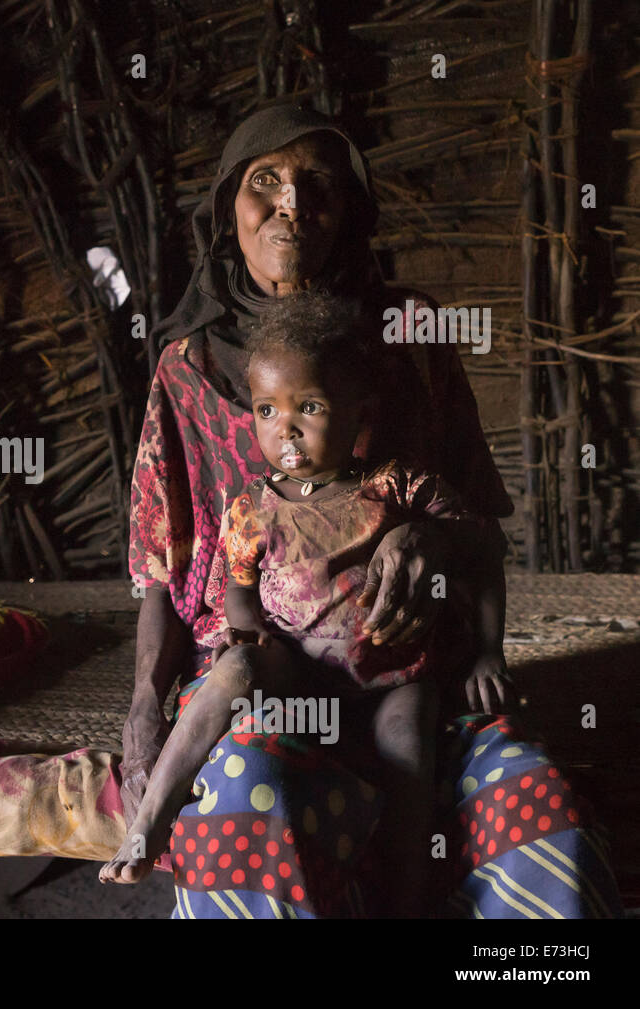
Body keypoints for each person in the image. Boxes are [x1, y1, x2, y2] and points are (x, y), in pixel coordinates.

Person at [121, 102, 623, 917]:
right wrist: (147, 703)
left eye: (318, 184)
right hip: (265, 681)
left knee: (542, 819)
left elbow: (477, 528)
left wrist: (431, 544)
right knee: (246, 813)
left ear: (351, 209)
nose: (292, 204)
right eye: (265, 182)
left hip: (414, 671)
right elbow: (160, 566)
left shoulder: (410, 334)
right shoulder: (189, 369)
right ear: (227, 210)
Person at [103, 292, 510, 915]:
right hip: (297, 666)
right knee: (231, 671)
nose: (286, 428)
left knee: (411, 750)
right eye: (268, 410)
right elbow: (237, 592)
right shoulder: (253, 508)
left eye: (310, 407)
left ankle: (405, 900)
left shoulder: (398, 487)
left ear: (360, 415)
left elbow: (482, 552)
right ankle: (150, 822)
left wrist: (486, 653)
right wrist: (248, 634)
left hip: (390, 674)